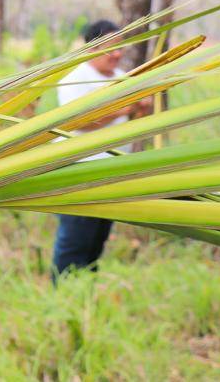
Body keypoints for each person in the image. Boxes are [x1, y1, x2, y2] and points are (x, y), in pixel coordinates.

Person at [51, 20, 151, 278]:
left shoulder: (122, 80)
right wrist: (129, 105)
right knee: (74, 237)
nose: (117, 54)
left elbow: (132, 125)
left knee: (97, 239)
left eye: (120, 48)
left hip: (111, 171)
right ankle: (60, 290)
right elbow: (83, 122)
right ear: (91, 50)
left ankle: (86, 291)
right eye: (110, 49)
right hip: (79, 171)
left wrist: (142, 108)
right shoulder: (74, 80)